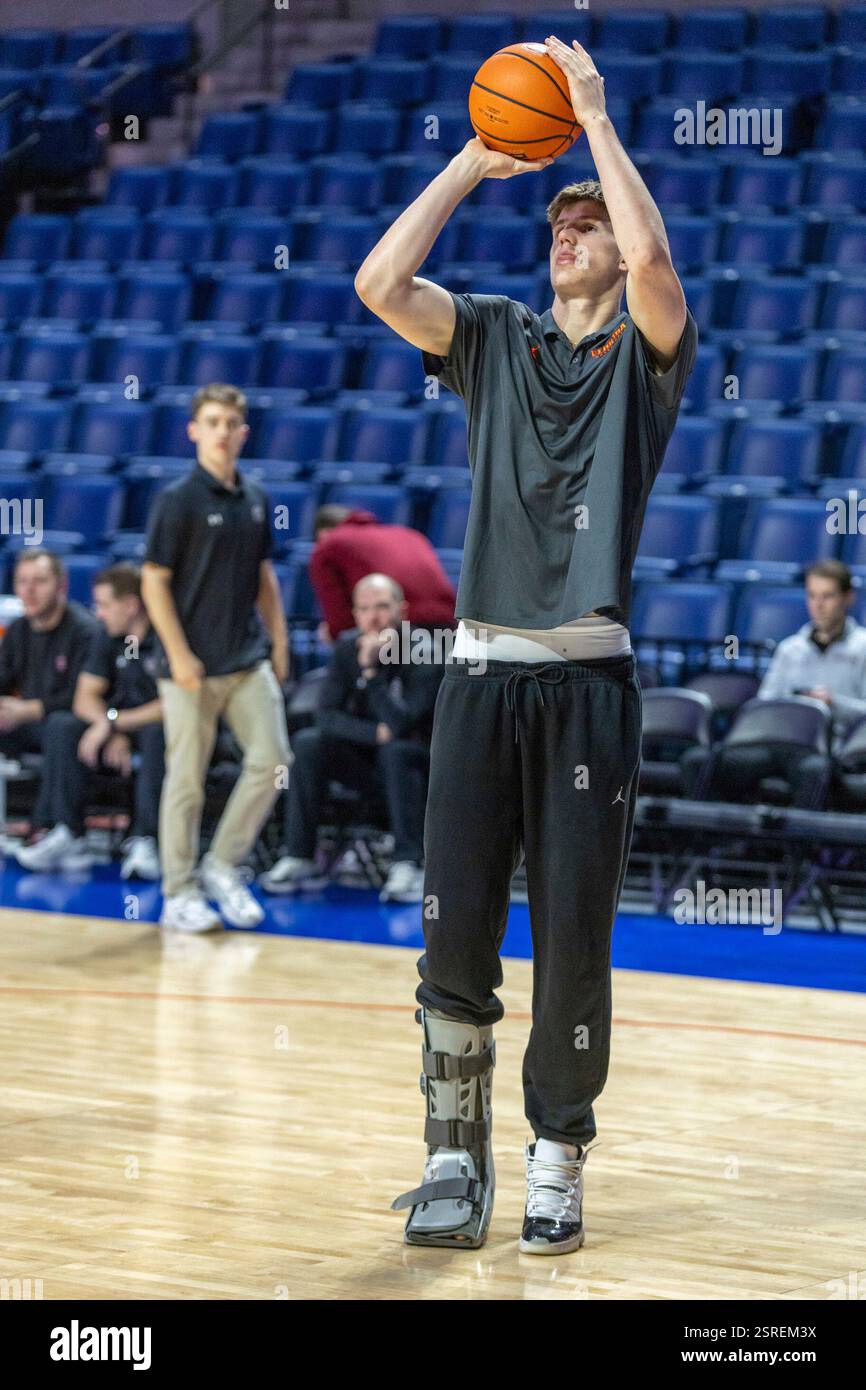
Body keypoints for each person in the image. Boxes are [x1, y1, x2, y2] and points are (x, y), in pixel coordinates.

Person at [355, 35, 698, 1253]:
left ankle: (558, 1155)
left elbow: (654, 258)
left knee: (570, 940)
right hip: (478, 678)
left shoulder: (645, 358)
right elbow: (377, 285)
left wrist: (594, 122)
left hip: (585, 687)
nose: (567, 234)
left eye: (583, 223)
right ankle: (454, 1159)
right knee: (452, 931)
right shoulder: (495, 334)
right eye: (555, 220)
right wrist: (468, 166)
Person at [141, 384, 292, 933]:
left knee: (274, 762)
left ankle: (223, 865)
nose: (223, 431)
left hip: (244, 659)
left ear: (244, 432)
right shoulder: (177, 501)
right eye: (213, 421)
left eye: (232, 422)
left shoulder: (255, 497)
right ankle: (178, 891)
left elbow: (264, 579)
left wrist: (279, 642)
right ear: (194, 430)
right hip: (189, 667)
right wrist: (178, 654)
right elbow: (153, 581)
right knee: (187, 778)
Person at [260, 573, 444, 902]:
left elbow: (402, 724)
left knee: (397, 750)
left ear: (401, 610)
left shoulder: (424, 651)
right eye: (365, 609)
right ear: (356, 614)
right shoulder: (347, 647)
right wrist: (374, 733)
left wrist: (371, 673)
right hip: (367, 759)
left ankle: (409, 863)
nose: (373, 618)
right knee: (309, 742)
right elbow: (325, 715)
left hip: (418, 767)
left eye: (382, 607)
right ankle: (299, 856)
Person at [14, 563, 164, 879]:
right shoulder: (106, 636)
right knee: (63, 725)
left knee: (157, 732)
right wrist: (106, 725)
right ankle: (69, 833)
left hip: (156, 727)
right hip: (117, 726)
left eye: (105, 605)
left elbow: (171, 706)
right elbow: (85, 697)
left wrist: (111, 724)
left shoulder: (164, 636)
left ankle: (146, 839)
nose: (98, 613)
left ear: (131, 605)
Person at [0, 549, 96, 845]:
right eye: (22, 581)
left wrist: (32, 708)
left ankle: (59, 831)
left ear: (61, 586)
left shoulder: (85, 631)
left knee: (61, 725)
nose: (28, 591)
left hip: (76, 726)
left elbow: (86, 697)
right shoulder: (19, 629)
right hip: (27, 725)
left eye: (39, 581)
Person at [310, 505, 456, 642]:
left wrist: (333, 635)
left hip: (395, 629)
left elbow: (341, 625)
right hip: (450, 626)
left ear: (324, 533)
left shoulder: (328, 546)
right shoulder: (410, 534)